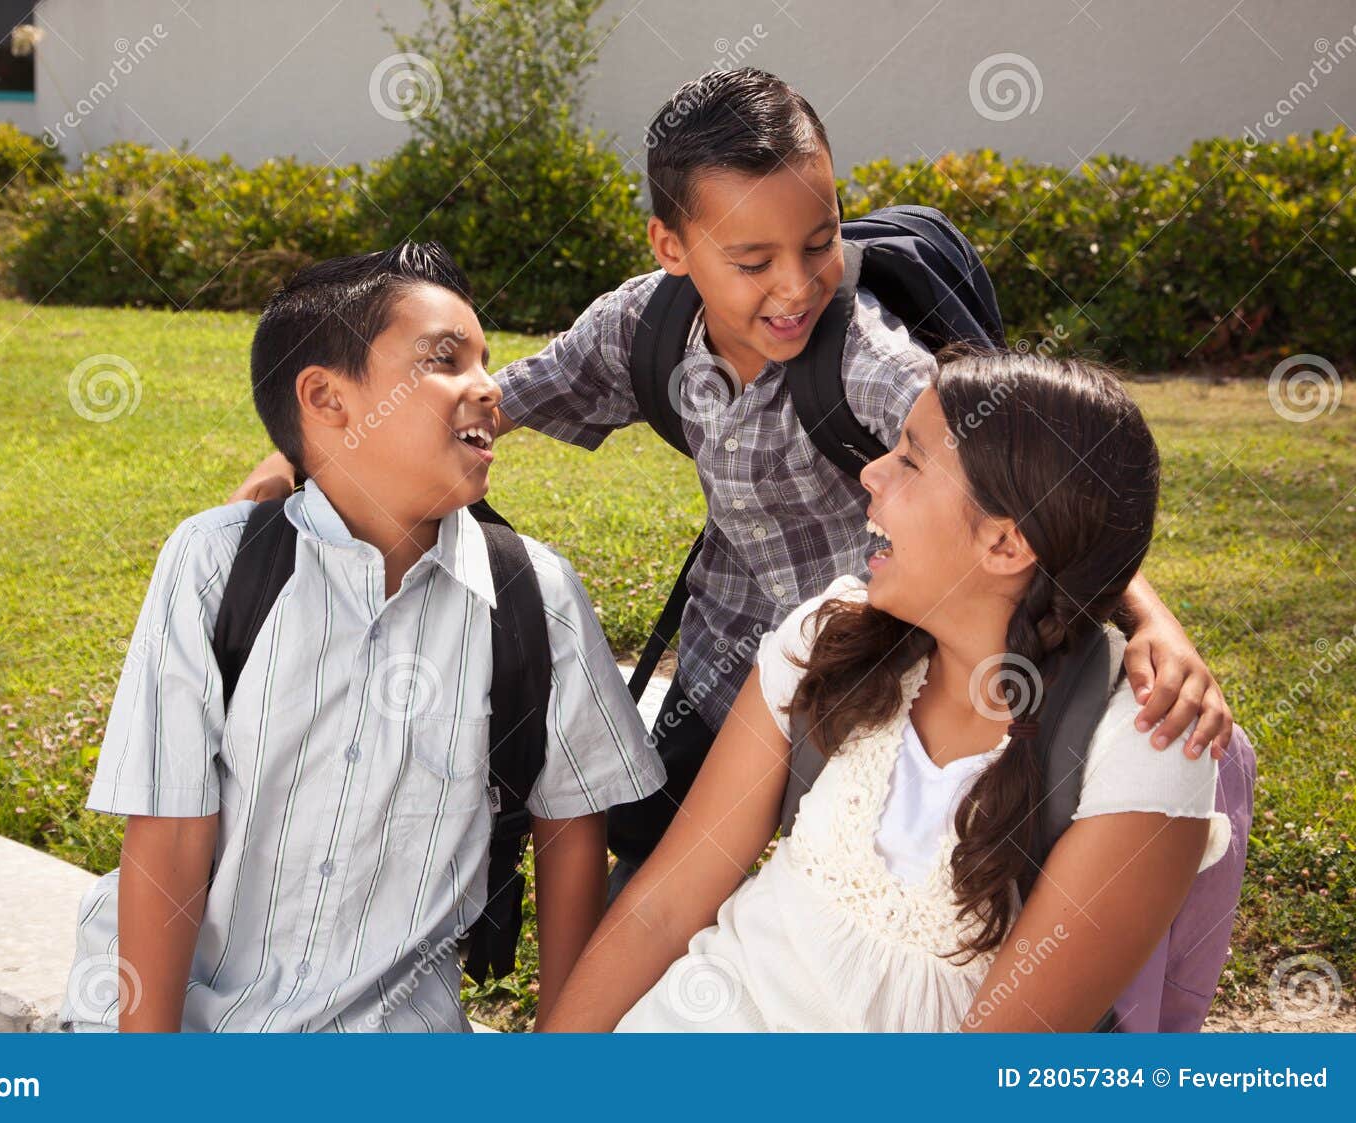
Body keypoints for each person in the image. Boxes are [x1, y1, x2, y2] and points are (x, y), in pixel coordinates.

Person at [230, 70, 1234, 890]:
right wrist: (311, 453)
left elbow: (1026, 488)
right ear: (672, 250)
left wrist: (1150, 622)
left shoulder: (870, 364)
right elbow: (513, 394)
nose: (795, 286)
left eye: (818, 241)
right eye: (751, 260)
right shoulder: (644, 326)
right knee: (653, 865)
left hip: (866, 672)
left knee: (859, 887)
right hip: (724, 659)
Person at [59, 242, 664, 1032]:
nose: (488, 386)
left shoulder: (533, 596)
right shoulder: (215, 565)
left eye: (485, 359)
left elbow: (571, 835)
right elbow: (169, 834)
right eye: (446, 359)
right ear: (327, 399)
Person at [540, 351, 1231, 1032]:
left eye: (908, 459)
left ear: (1004, 543)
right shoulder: (825, 639)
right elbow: (662, 907)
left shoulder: (1144, 745)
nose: (869, 473)